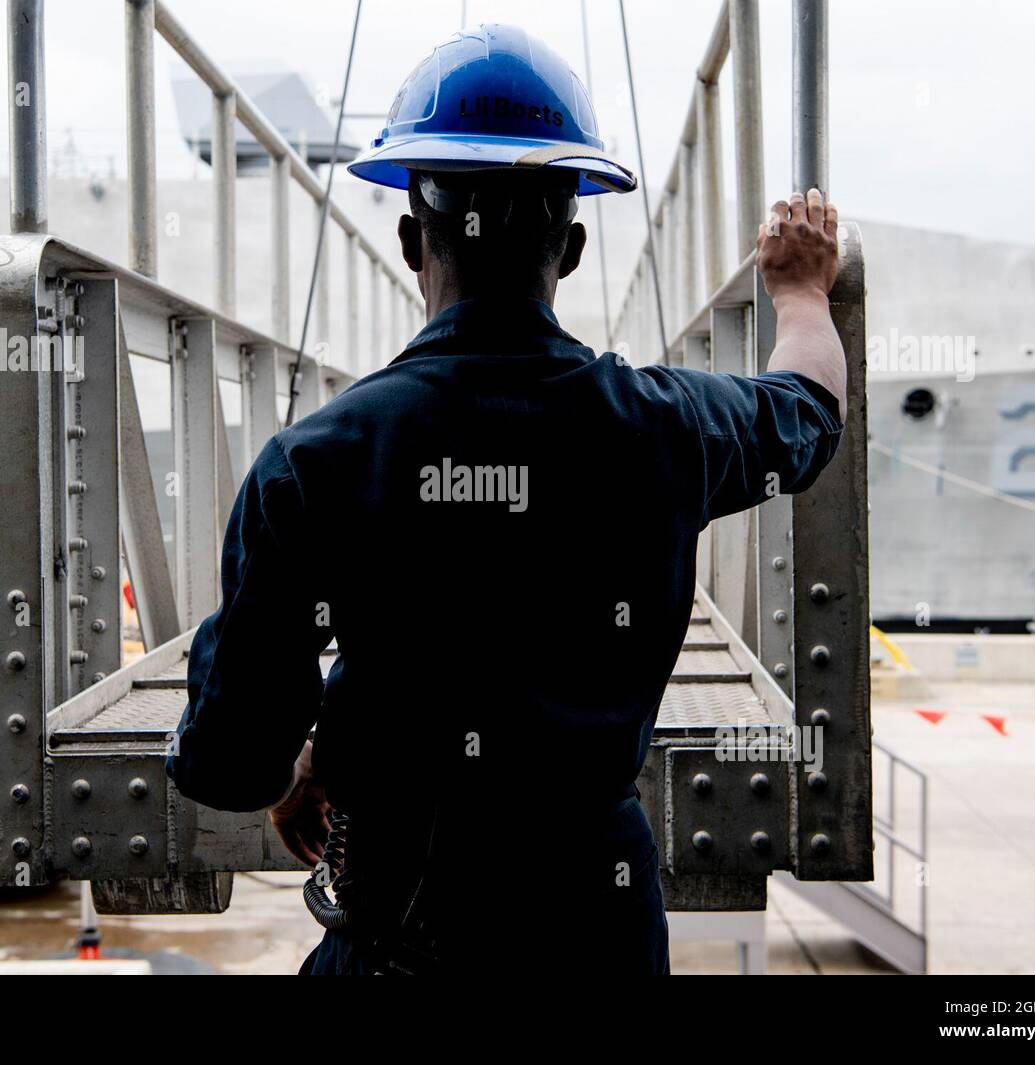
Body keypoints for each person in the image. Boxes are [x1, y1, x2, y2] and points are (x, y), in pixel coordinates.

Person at [167, 24, 846, 975]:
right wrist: (802, 292)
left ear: (411, 240)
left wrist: (314, 750)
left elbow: (230, 763)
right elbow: (807, 415)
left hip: (404, 927)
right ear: (567, 248)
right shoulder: (664, 428)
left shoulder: (313, 464)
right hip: (596, 925)